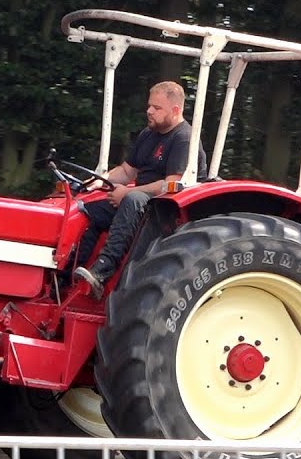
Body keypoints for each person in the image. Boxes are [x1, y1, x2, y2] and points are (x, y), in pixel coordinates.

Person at [73, 81, 206, 297]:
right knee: (90, 209)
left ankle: (102, 271)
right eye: (149, 105)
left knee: (133, 198)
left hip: (165, 208)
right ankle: (67, 274)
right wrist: (99, 180)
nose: (149, 111)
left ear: (175, 110)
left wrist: (126, 192)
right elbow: (127, 171)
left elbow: (171, 184)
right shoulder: (148, 134)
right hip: (139, 200)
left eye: (156, 107)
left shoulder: (183, 139)